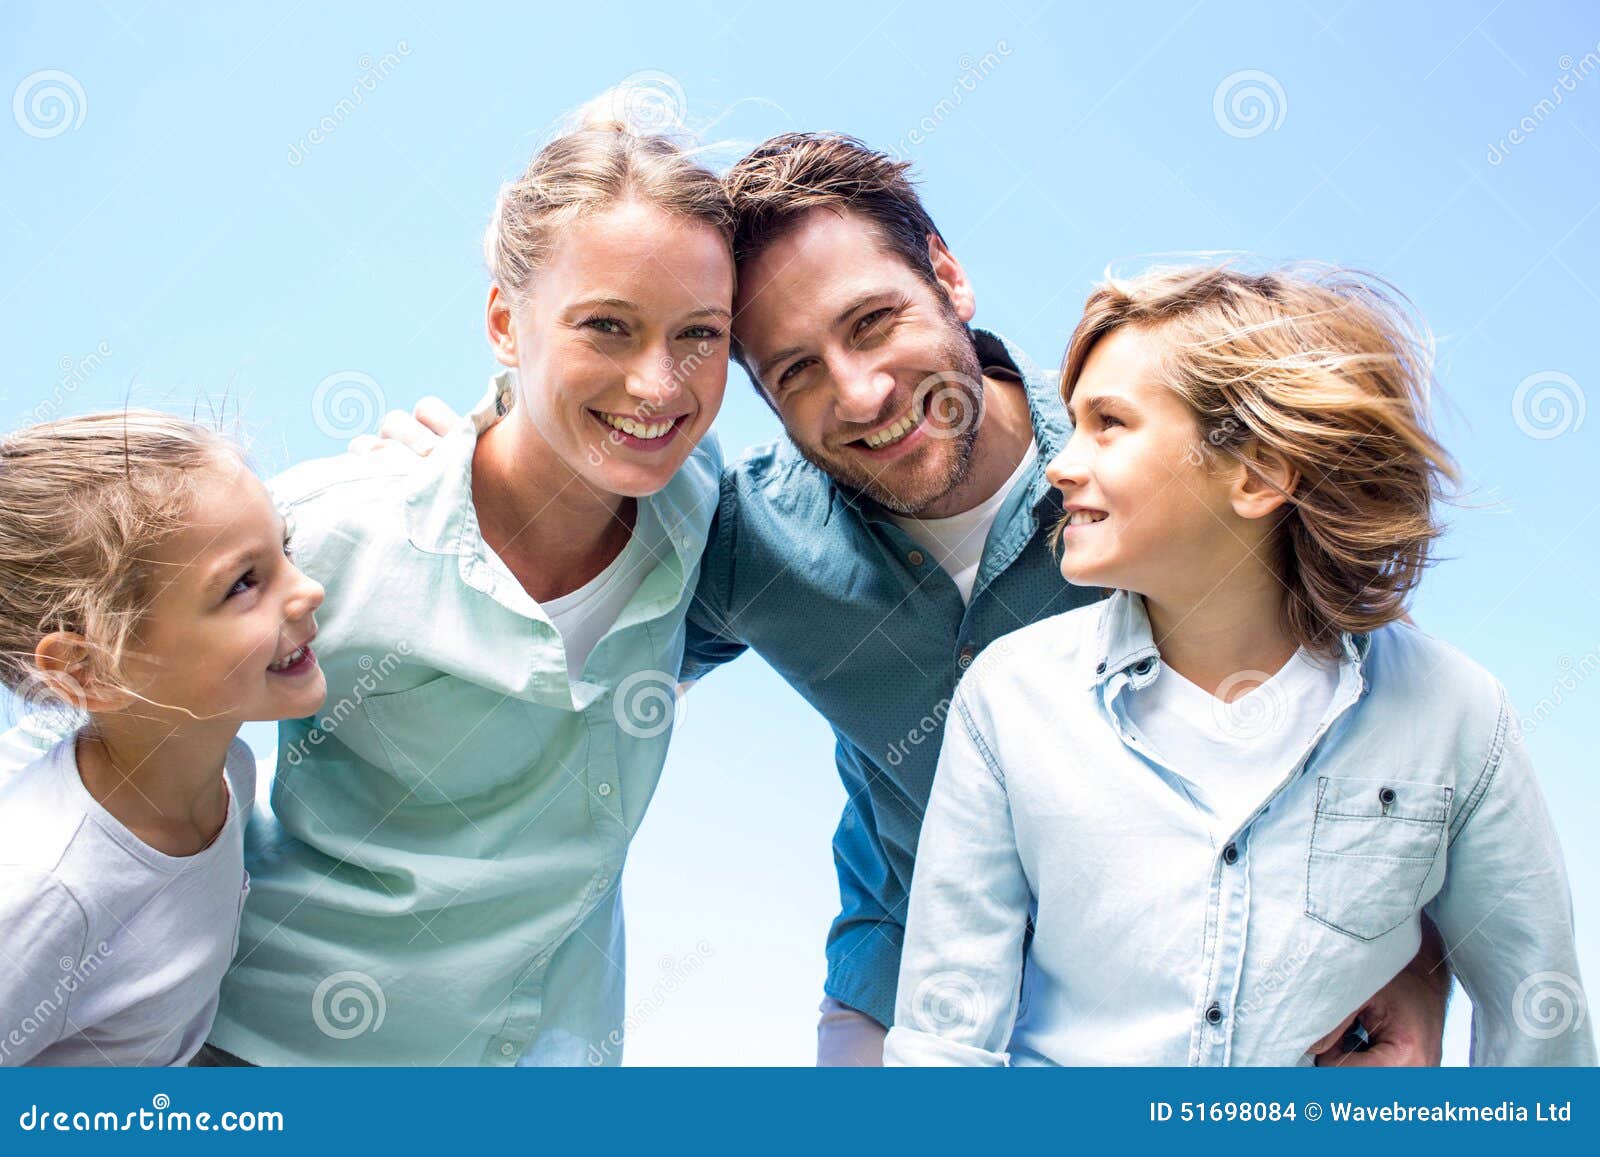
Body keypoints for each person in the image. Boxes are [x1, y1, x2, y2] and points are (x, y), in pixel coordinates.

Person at [371, 133, 1451, 1066]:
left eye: (874, 322)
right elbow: (576, 590)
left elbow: (1371, 726)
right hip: (898, 1010)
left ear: (947, 274)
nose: (860, 394)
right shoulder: (743, 542)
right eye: (791, 370)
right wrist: (467, 471)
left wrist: (1419, 954)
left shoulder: (1153, 480)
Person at [883, 264, 1595, 1066]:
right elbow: (943, 1045)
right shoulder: (1009, 698)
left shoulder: (1456, 714)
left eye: (1111, 423)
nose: (1062, 463)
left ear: (1257, 474)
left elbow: (1541, 1032)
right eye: (1074, 423)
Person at [190, 108, 733, 1065]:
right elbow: (126, 733)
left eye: (700, 334)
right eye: (607, 325)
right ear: (502, 322)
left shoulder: (699, 511)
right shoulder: (328, 532)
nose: (659, 383)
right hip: (275, 1060)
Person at [0, 412, 325, 1065]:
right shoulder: (45, 893)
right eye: (243, 583)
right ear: (89, 670)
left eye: (284, 550)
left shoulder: (225, 764)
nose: (308, 589)